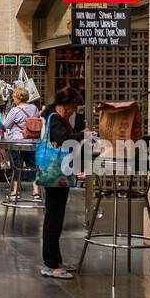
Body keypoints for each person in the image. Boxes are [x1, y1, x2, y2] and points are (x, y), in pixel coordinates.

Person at [40, 86, 91, 279]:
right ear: (65, 105)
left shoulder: (58, 119)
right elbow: (62, 139)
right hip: (55, 175)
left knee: (57, 216)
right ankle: (50, 264)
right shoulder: (55, 119)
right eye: (72, 107)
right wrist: (82, 134)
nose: (73, 111)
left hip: (59, 175)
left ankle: (56, 259)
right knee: (53, 218)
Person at [1, 87, 42, 200]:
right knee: (33, 166)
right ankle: (36, 191)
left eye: (14, 97)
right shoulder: (34, 108)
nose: (13, 99)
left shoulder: (14, 110)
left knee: (16, 166)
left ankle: (15, 191)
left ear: (19, 98)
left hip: (17, 142)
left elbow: (6, 125)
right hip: (31, 142)